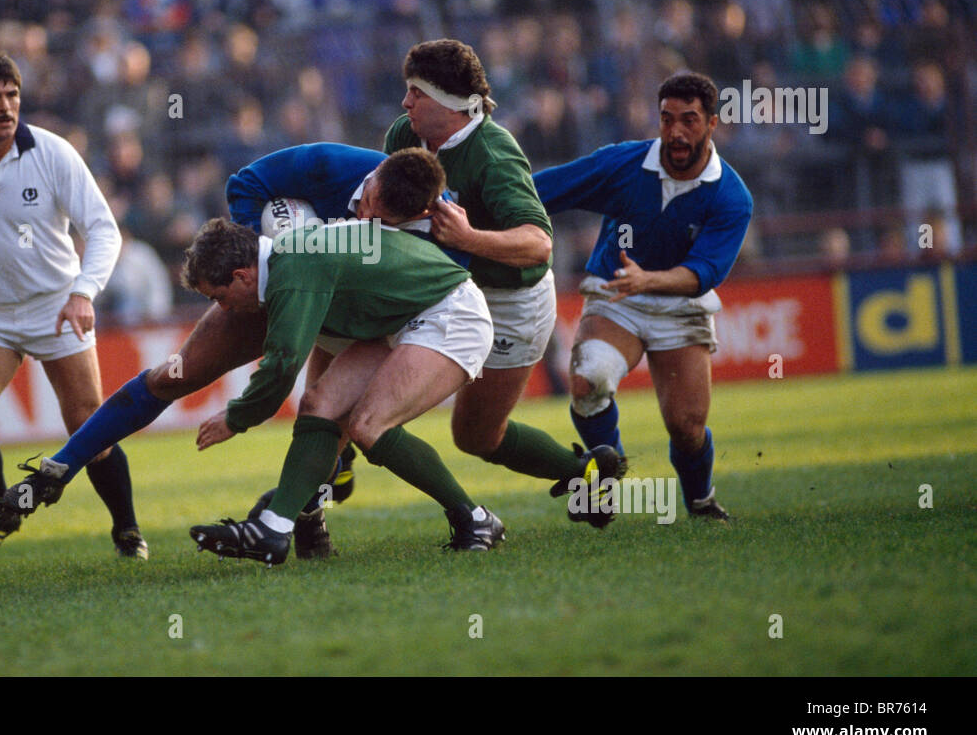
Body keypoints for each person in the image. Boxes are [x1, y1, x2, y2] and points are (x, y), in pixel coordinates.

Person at [0, 146, 485, 559]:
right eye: (370, 200)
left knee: (338, 422)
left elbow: (286, 362)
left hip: (355, 308)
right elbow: (247, 182)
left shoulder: (441, 219)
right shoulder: (341, 167)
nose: (372, 214)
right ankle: (59, 469)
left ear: (419, 213)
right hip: (273, 279)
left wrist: (236, 417)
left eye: (385, 217)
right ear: (371, 178)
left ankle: (305, 517)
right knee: (182, 376)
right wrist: (248, 242)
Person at [0, 49, 140, 568]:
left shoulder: (53, 152)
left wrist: (84, 291)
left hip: (57, 306)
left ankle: (126, 530)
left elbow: (103, 228)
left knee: (91, 430)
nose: (6, 106)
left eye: (12, 95)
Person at [183, 212, 506, 564]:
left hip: (451, 312)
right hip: (403, 318)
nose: (224, 309)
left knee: (368, 426)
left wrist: (235, 418)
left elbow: (283, 365)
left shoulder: (291, 269)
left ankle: (476, 520)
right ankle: (273, 529)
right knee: (318, 406)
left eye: (219, 296)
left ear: (241, 276)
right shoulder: (290, 257)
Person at [382, 39, 616, 524]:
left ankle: (585, 474)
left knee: (475, 437)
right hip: (446, 291)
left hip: (511, 303)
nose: (405, 103)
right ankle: (323, 477)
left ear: (448, 102)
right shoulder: (404, 135)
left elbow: (538, 243)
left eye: (415, 93)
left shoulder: (494, 153)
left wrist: (469, 238)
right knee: (361, 385)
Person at [533, 71, 753, 519]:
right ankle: (604, 478)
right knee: (589, 379)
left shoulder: (732, 196)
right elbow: (548, 189)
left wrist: (649, 280)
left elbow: (704, 273)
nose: (675, 131)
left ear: (712, 124)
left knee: (688, 428)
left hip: (683, 306)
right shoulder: (624, 164)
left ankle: (700, 500)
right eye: (667, 118)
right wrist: (476, 204)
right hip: (618, 296)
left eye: (689, 120)